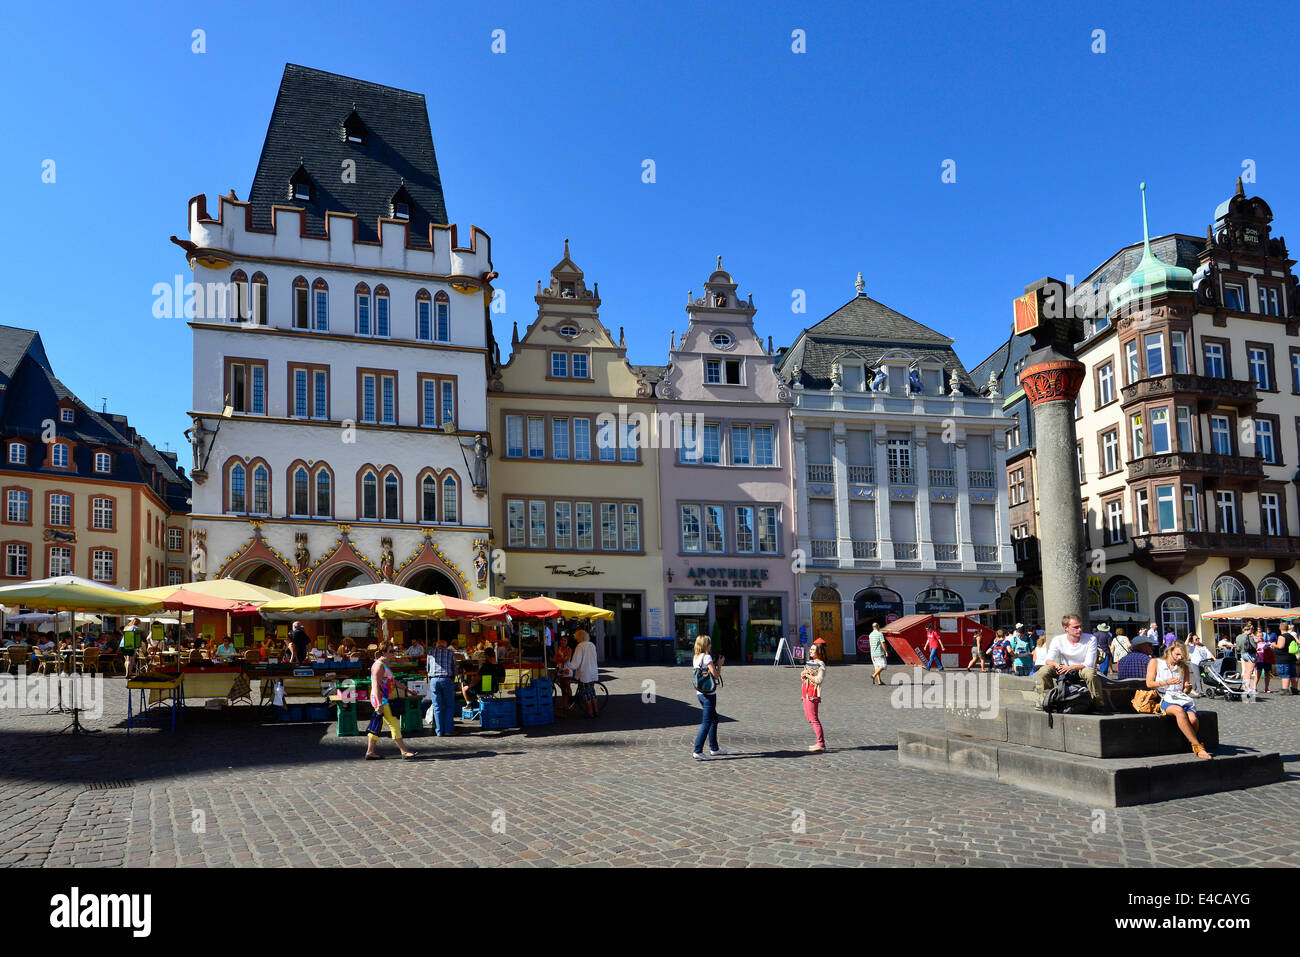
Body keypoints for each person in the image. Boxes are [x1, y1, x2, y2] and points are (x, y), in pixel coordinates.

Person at [1146, 641, 1212, 760]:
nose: (1179, 658)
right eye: (1177, 654)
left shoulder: (1184, 667)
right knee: (1179, 711)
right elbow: (1149, 683)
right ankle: (1198, 746)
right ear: (1169, 651)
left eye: (1182, 656)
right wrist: (1166, 682)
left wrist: (1188, 687)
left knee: (1193, 720)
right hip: (1163, 697)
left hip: (1181, 698)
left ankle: (1191, 743)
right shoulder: (1155, 662)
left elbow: (1184, 691)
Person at [363, 643, 418, 760]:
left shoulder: (384, 664)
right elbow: (376, 686)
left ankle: (370, 752)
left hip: (385, 699)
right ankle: (404, 751)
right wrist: (379, 704)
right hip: (382, 700)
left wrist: (407, 689)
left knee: (377, 724)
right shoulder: (379, 666)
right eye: (391, 651)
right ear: (384, 652)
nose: (393, 653)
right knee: (394, 723)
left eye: (393, 651)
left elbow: (393, 681)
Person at [1036, 613, 1105, 705]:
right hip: (1065, 668)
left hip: (1082, 668)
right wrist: (1058, 666)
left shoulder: (1091, 638)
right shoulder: (1058, 640)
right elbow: (1048, 660)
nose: (1079, 629)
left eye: (1080, 626)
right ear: (1066, 628)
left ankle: (1098, 703)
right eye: (1076, 627)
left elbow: (1089, 663)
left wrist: (1069, 668)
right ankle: (1047, 699)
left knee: (1090, 673)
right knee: (1044, 670)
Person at [691, 635, 726, 759]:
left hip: (700, 693)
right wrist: (720, 664)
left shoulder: (696, 657)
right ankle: (698, 750)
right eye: (709, 643)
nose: (710, 645)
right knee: (706, 722)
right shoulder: (706, 657)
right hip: (709, 694)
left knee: (714, 719)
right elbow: (715, 675)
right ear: (706, 645)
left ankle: (714, 748)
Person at [425, 633, 457, 735]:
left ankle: (439, 731)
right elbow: (454, 668)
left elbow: (427, 669)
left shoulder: (430, 653)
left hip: (434, 680)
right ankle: (448, 730)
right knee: (449, 706)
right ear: (445, 645)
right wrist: (453, 677)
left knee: (437, 706)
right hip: (447, 679)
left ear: (436, 645)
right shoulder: (450, 653)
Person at [800, 639, 827, 752]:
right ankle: (820, 742)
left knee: (814, 719)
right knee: (809, 718)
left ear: (819, 651)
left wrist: (807, 675)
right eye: (810, 649)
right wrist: (803, 675)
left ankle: (820, 743)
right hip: (805, 692)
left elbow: (818, 680)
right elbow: (805, 678)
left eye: (813, 650)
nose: (810, 651)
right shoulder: (810, 662)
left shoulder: (820, 664)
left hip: (813, 694)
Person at [567, 629, 600, 719]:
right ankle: (596, 711)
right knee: (592, 692)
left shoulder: (580, 646)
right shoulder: (592, 645)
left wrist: (568, 667)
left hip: (585, 673)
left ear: (579, 637)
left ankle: (590, 713)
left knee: (586, 695)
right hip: (592, 672)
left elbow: (576, 663)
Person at [1234, 627, 1257, 695]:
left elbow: (1237, 647)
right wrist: (1256, 641)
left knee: (1246, 671)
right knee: (1250, 671)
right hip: (1250, 654)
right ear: (1247, 630)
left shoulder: (1238, 636)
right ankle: (1248, 687)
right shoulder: (1249, 637)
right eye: (1251, 630)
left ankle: (1244, 686)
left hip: (1243, 654)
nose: (1252, 631)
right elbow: (1254, 646)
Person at [552, 634, 574, 707]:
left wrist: (559, 658)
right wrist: (561, 659)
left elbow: (566, 659)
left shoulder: (569, 649)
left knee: (567, 686)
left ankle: (570, 703)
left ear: (567, 642)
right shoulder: (559, 649)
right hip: (560, 670)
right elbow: (554, 659)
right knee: (562, 688)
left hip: (567, 669)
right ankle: (564, 704)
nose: (563, 642)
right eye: (562, 640)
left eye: (565, 640)